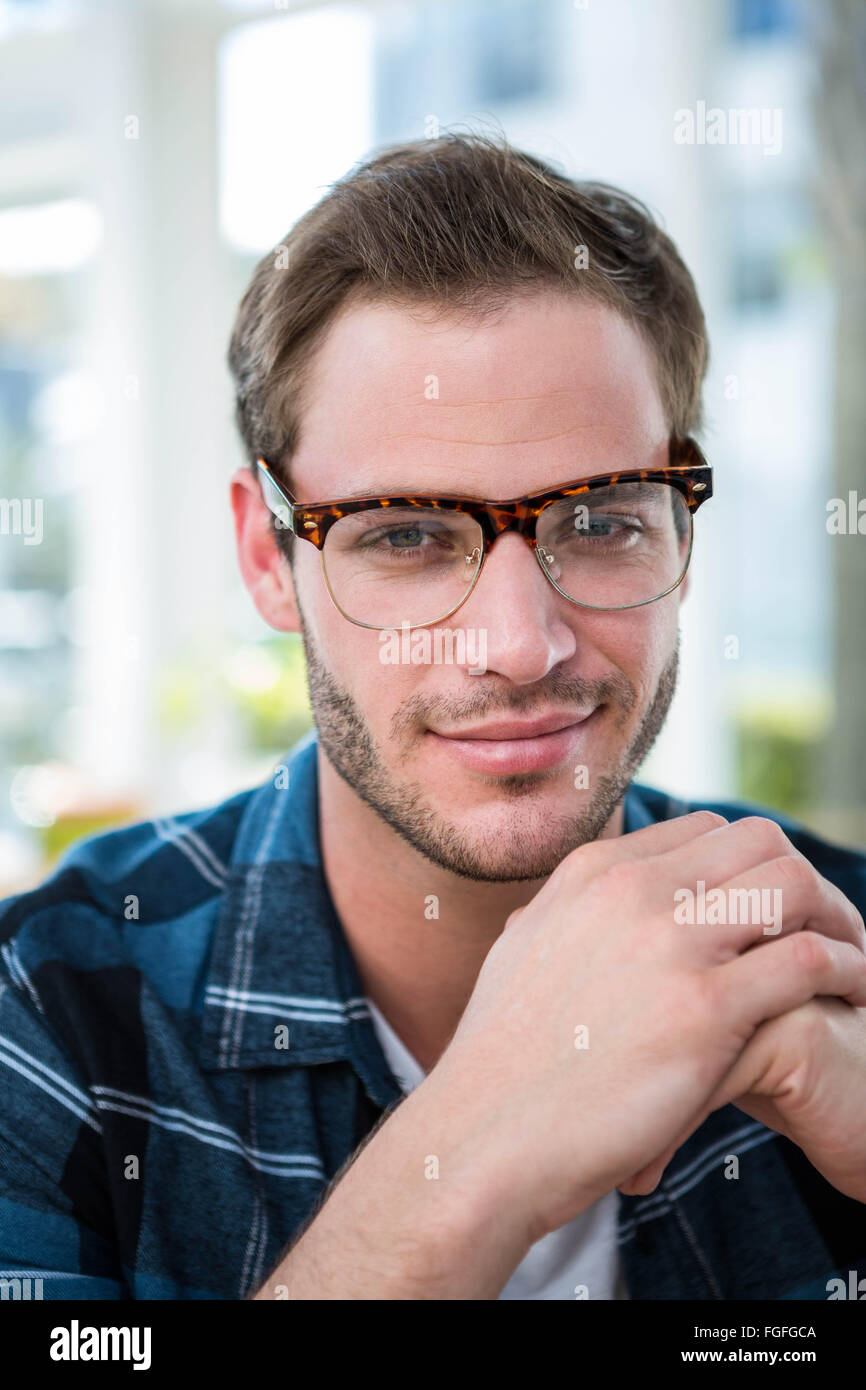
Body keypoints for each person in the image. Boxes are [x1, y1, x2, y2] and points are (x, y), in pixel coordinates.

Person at [1, 134, 864, 1302]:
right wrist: (473, 1143)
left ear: (682, 529)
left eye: (601, 520)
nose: (518, 644)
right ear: (268, 555)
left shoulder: (838, 946)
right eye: (405, 536)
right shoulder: (43, 1014)